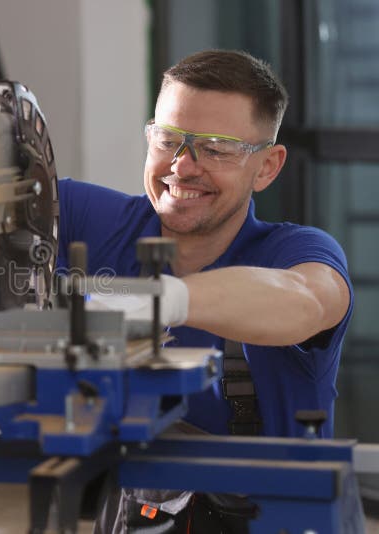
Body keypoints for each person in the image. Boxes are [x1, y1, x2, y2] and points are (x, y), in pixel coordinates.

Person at [56, 50, 353, 532]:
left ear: (267, 167)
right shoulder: (93, 220)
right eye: (168, 139)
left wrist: (164, 301)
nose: (183, 166)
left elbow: (306, 298)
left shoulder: (295, 250)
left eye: (216, 149)